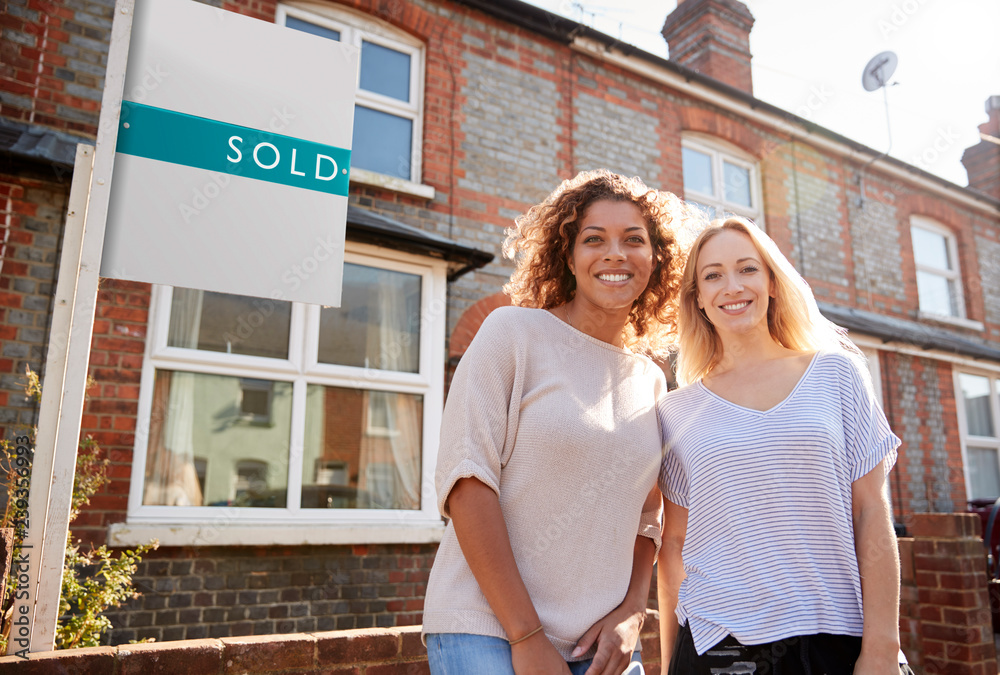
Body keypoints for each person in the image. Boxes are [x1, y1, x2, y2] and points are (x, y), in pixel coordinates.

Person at [422, 169, 689, 675]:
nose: (615, 253)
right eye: (594, 239)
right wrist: (526, 637)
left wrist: (634, 609)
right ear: (567, 256)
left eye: (634, 240)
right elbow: (466, 479)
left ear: (656, 260)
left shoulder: (651, 380)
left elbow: (648, 518)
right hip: (488, 631)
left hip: (599, 649)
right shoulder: (513, 333)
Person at [656, 216, 913, 675]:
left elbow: (871, 511)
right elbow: (674, 543)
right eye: (712, 275)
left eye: (747, 269)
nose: (732, 286)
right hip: (719, 645)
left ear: (772, 282)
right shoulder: (677, 411)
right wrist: (667, 664)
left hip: (836, 638)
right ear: (698, 300)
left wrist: (881, 647)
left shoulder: (837, 375)